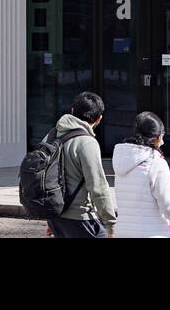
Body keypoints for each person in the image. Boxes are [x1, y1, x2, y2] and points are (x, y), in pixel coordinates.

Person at [48, 92, 118, 238]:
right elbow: (98, 186)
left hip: (55, 216)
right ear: (99, 119)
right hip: (81, 218)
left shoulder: (51, 135)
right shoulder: (87, 143)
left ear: (72, 110)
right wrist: (110, 223)